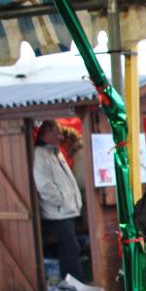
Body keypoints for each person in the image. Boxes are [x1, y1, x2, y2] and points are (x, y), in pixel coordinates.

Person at [33, 119, 84, 281]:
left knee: (70, 249)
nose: (61, 136)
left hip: (66, 209)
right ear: (46, 134)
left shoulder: (55, 152)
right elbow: (44, 185)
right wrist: (61, 201)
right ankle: (75, 284)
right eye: (57, 132)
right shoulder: (40, 154)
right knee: (70, 249)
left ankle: (73, 283)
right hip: (59, 212)